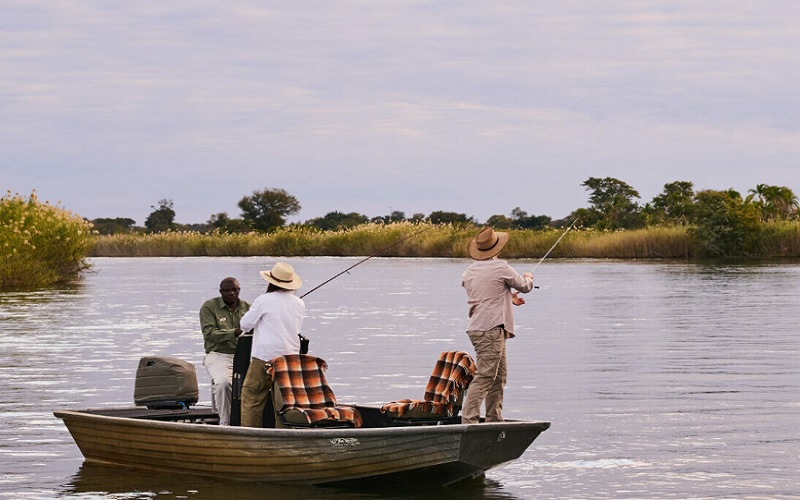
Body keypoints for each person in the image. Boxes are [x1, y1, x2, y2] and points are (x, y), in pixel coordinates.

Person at [461, 227, 534, 424]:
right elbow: (525, 287)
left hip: (481, 328)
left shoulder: (469, 271)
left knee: (499, 377)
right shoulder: (501, 267)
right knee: (486, 376)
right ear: (497, 249)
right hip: (490, 329)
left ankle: (494, 420)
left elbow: (485, 295)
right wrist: (529, 277)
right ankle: (469, 422)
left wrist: (509, 298)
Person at [239, 262, 305, 427]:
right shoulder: (299, 303)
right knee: (283, 403)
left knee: (252, 397)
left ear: (271, 282)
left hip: (264, 357)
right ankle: (282, 437)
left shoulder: (264, 300)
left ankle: (250, 436)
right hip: (289, 359)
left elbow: (245, 325)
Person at [199, 277, 251, 426]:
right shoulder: (209, 307)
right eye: (227, 291)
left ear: (239, 290)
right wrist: (234, 332)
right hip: (218, 354)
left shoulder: (249, 308)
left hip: (246, 355)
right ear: (221, 292)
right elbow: (209, 334)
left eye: (235, 290)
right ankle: (225, 423)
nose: (231, 293)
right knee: (223, 383)